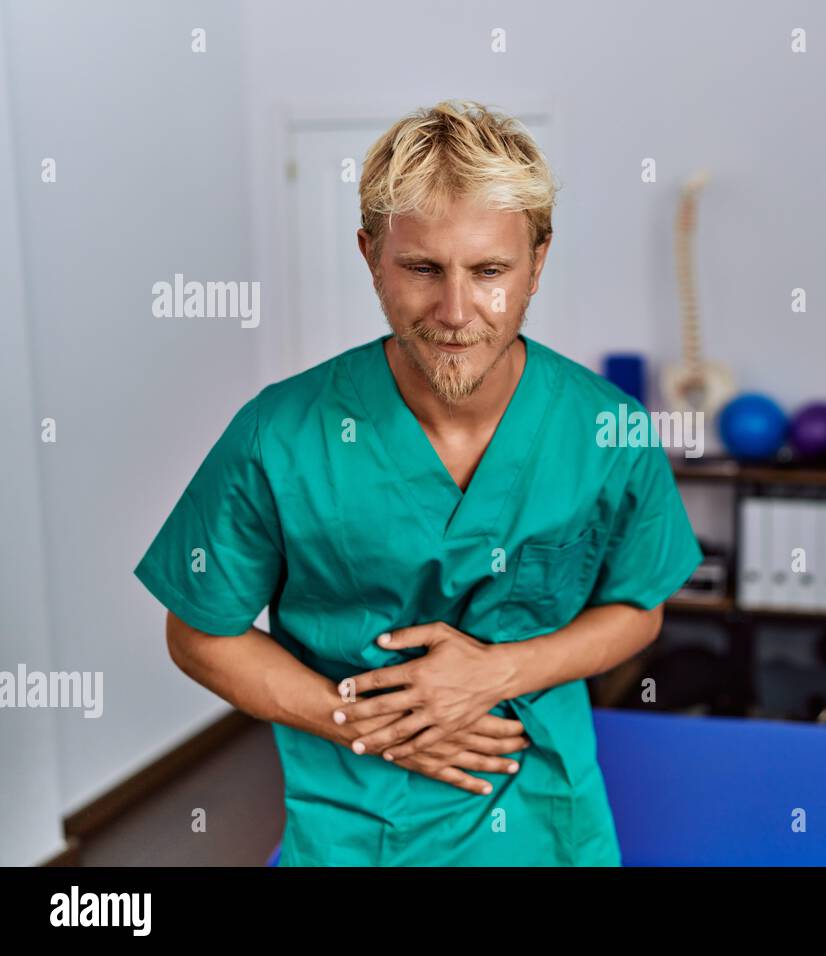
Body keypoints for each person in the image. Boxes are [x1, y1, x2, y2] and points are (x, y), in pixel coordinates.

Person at [134, 100, 703, 866]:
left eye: (491, 270)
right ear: (372, 257)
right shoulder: (282, 436)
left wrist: (498, 670)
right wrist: (370, 724)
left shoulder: (609, 431)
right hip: (357, 821)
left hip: (546, 813)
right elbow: (201, 632)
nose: (457, 311)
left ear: (538, 261)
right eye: (423, 269)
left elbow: (638, 608)